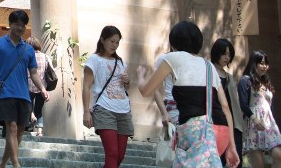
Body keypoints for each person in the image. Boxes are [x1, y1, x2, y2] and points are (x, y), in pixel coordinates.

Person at [137, 20, 239, 168]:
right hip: (218, 131)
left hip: (193, 132)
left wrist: (140, 76)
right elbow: (225, 108)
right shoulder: (209, 66)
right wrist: (232, 146)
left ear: (173, 44)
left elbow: (146, 91)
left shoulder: (172, 58)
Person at [0, 10, 48, 168]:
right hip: (5, 93)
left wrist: (42, 88)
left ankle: (2, 164)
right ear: (10, 24)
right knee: (11, 127)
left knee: (20, 131)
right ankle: (16, 164)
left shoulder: (28, 49)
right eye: (17, 24)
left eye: (23, 25)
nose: (20, 28)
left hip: (23, 95)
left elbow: (33, 72)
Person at [82, 26, 133, 167]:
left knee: (120, 155)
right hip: (104, 109)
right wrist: (86, 112)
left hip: (123, 110)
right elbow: (86, 86)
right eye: (112, 41)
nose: (115, 45)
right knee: (112, 152)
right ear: (102, 40)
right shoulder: (94, 60)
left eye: (117, 42)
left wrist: (127, 82)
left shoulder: (120, 61)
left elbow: (125, 88)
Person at [238, 51, 281, 168]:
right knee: (258, 165)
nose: (265, 67)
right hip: (253, 123)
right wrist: (254, 119)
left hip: (269, 124)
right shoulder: (245, 80)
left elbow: (268, 105)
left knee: (278, 155)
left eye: (266, 64)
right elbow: (243, 104)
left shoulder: (265, 82)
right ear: (254, 63)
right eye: (262, 63)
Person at [211, 38, 245, 167]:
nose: (227, 57)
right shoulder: (208, 71)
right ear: (216, 52)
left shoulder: (229, 77)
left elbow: (234, 103)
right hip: (213, 122)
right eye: (224, 53)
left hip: (231, 124)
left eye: (229, 55)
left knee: (235, 161)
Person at [25, 36, 48, 137]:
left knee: (27, 107)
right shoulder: (45, 56)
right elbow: (49, 70)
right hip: (41, 87)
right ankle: (39, 131)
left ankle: (30, 120)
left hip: (29, 85)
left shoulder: (28, 56)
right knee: (39, 109)